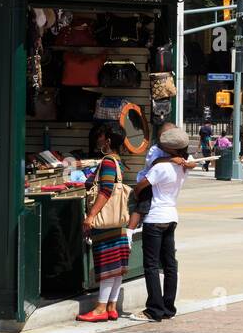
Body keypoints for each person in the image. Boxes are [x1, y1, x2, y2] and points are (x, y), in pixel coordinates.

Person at [78, 122, 130, 322]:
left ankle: (100, 309)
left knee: (107, 265)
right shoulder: (118, 161)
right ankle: (111, 307)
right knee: (116, 267)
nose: (98, 139)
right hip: (116, 223)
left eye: (100, 136)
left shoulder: (107, 162)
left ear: (107, 141)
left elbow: (106, 190)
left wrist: (91, 216)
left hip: (105, 222)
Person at [136, 126, 190, 321]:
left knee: (151, 266)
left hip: (155, 217)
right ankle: (168, 307)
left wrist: (137, 192)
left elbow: (141, 185)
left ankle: (154, 309)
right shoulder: (182, 167)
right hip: (171, 216)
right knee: (169, 265)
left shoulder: (160, 167)